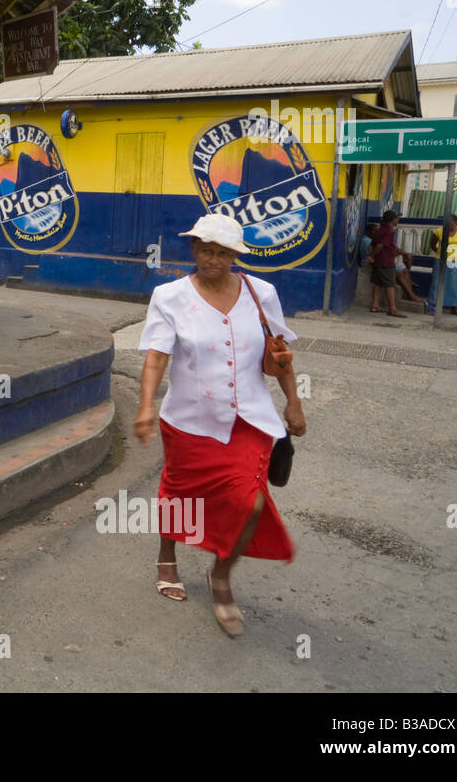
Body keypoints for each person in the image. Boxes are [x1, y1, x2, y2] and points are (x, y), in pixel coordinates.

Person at [134, 213, 306, 637]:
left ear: (235, 255)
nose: (213, 259)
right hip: (190, 419)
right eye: (206, 250)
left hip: (250, 417)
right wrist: (145, 407)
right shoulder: (169, 296)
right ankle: (166, 555)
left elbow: (278, 351)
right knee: (181, 491)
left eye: (223, 252)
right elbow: (157, 356)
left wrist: (295, 402)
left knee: (251, 501)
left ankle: (222, 575)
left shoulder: (260, 292)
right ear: (193, 249)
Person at [427, 214, 457, 315]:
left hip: (455, 260)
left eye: (450, 222)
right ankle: (433, 305)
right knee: (437, 282)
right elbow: (432, 244)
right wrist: (439, 252)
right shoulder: (439, 231)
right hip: (440, 260)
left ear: (456, 222)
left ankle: (455, 306)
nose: (448, 224)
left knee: (454, 283)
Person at [369, 210, 406, 317]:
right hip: (386, 262)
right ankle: (392, 309)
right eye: (396, 218)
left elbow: (372, 245)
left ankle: (375, 306)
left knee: (377, 284)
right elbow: (380, 246)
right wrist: (372, 256)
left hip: (378, 262)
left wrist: (372, 256)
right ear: (392, 219)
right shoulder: (389, 231)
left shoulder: (380, 229)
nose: (398, 219)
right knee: (390, 285)